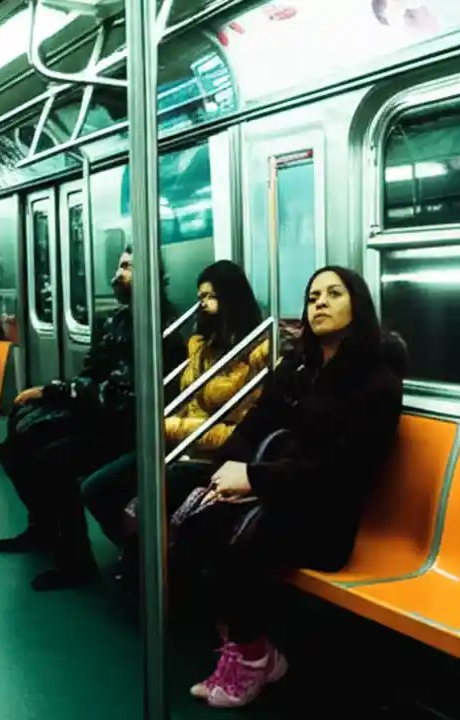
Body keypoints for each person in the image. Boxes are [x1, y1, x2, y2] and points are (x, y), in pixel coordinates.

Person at [172, 267, 406, 708]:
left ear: (357, 305)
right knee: (198, 522)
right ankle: (247, 647)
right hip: (278, 493)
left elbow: (342, 470)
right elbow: (258, 421)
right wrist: (228, 471)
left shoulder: (378, 383)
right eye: (313, 294)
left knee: (237, 545)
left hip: (327, 516)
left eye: (334, 294)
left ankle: (254, 658)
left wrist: (255, 479)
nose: (320, 302)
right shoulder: (299, 367)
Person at [0, 245, 186, 591]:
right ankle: (42, 527)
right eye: (119, 266)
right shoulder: (116, 320)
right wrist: (62, 392)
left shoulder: (161, 326)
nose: (118, 274)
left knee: (53, 459)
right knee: (16, 444)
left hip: (130, 427)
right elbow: (93, 373)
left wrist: (60, 391)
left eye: (127, 267)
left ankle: (76, 561)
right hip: (99, 414)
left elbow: (128, 397)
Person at [81, 260, 269, 555]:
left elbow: (243, 428)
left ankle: (149, 564)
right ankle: (140, 555)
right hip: (180, 445)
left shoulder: (259, 351)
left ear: (232, 298)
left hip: (213, 455)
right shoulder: (200, 345)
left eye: (211, 297)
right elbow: (189, 401)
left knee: (141, 507)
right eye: (200, 298)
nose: (203, 304)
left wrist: (170, 428)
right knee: (96, 488)